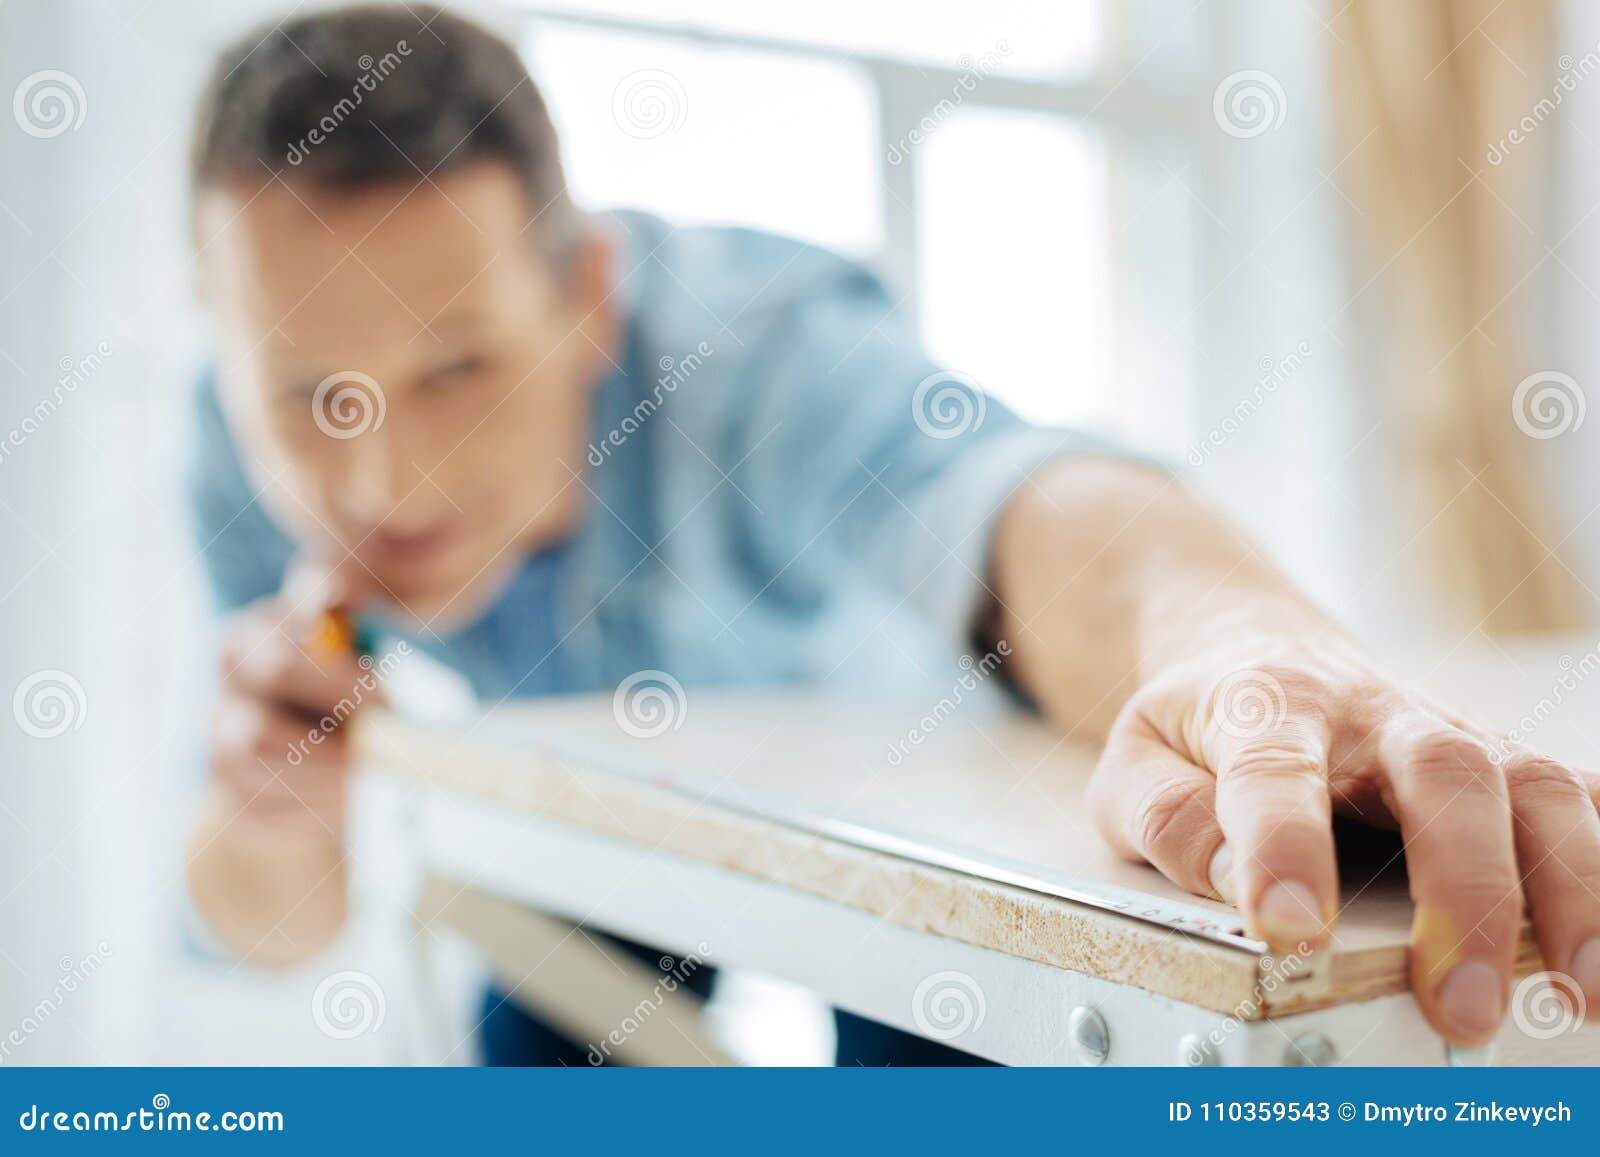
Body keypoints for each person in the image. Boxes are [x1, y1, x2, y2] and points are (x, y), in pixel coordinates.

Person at [183, 4, 1600, 1062]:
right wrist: (272, 807)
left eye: (458, 368)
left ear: (590, 298)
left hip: (928, 823)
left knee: (924, 1040)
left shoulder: (750, 355)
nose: (382, 478)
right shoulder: (231, 453)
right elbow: (260, 927)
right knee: (536, 1025)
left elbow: (1026, 499)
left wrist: (1249, 656)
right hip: (622, 835)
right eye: (311, 396)